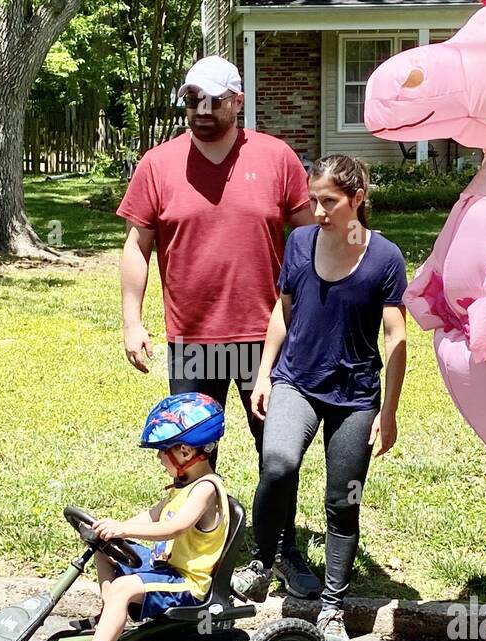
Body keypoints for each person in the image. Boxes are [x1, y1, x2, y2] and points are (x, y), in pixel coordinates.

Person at [117, 55, 322, 598]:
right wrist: (133, 321)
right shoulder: (159, 165)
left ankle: (278, 551)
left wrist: (316, 312)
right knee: (190, 455)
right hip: (192, 340)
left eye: (213, 100)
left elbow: (308, 241)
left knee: (276, 456)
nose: (201, 110)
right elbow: (138, 246)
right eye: (191, 99)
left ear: (238, 101)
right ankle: (195, 557)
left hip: (267, 338)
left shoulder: (276, 159)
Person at [230, 155, 408, 641]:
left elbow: (396, 338)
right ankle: (263, 562)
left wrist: (388, 411)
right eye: (314, 199)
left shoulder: (384, 258)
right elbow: (282, 313)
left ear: (357, 199)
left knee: (342, 498)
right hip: (297, 381)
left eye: (328, 201)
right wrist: (264, 373)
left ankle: (332, 606)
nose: (318, 209)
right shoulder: (300, 241)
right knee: (278, 464)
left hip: (354, 396)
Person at [45, 393, 229, 641]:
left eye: (162, 451)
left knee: (122, 587)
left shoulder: (206, 489)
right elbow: (151, 515)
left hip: (188, 584)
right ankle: (111, 615)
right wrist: (111, 530)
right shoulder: (182, 486)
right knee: (105, 554)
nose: (158, 457)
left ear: (185, 451)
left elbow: (174, 527)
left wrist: (125, 528)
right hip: (166, 567)